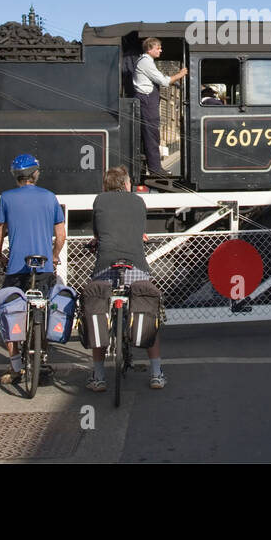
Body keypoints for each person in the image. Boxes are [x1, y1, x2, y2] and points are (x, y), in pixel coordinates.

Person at [86, 165, 165, 391]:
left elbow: (98, 233)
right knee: (150, 314)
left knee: (99, 313)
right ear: (126, 184)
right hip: (136, 267)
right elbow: (139, 231)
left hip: (105, 266)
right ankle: (157, 373)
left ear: (106, 185)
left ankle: (99, 376)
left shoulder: (99, 201)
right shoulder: (139, 202)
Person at [0, 154, 66, 385]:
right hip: (43, 268)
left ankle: (15, 367)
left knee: (8, 312)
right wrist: (53, 257)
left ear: (15, 176)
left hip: (16, 268)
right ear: (36, 174)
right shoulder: (49, 197)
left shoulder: (6, 198)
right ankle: (42, 361)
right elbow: (61, 236)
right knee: (42, 314)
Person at [134, 37, 187, 177]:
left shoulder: (146, 61)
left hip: (148, 99)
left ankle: (155, 167)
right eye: (158, 48)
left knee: (153, 134)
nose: (161, 51)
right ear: (150, 49)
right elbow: (164, 81)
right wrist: (181, 74)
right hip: (147, 99)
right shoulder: (145, 62)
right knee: (152, 134)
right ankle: (155, 169)